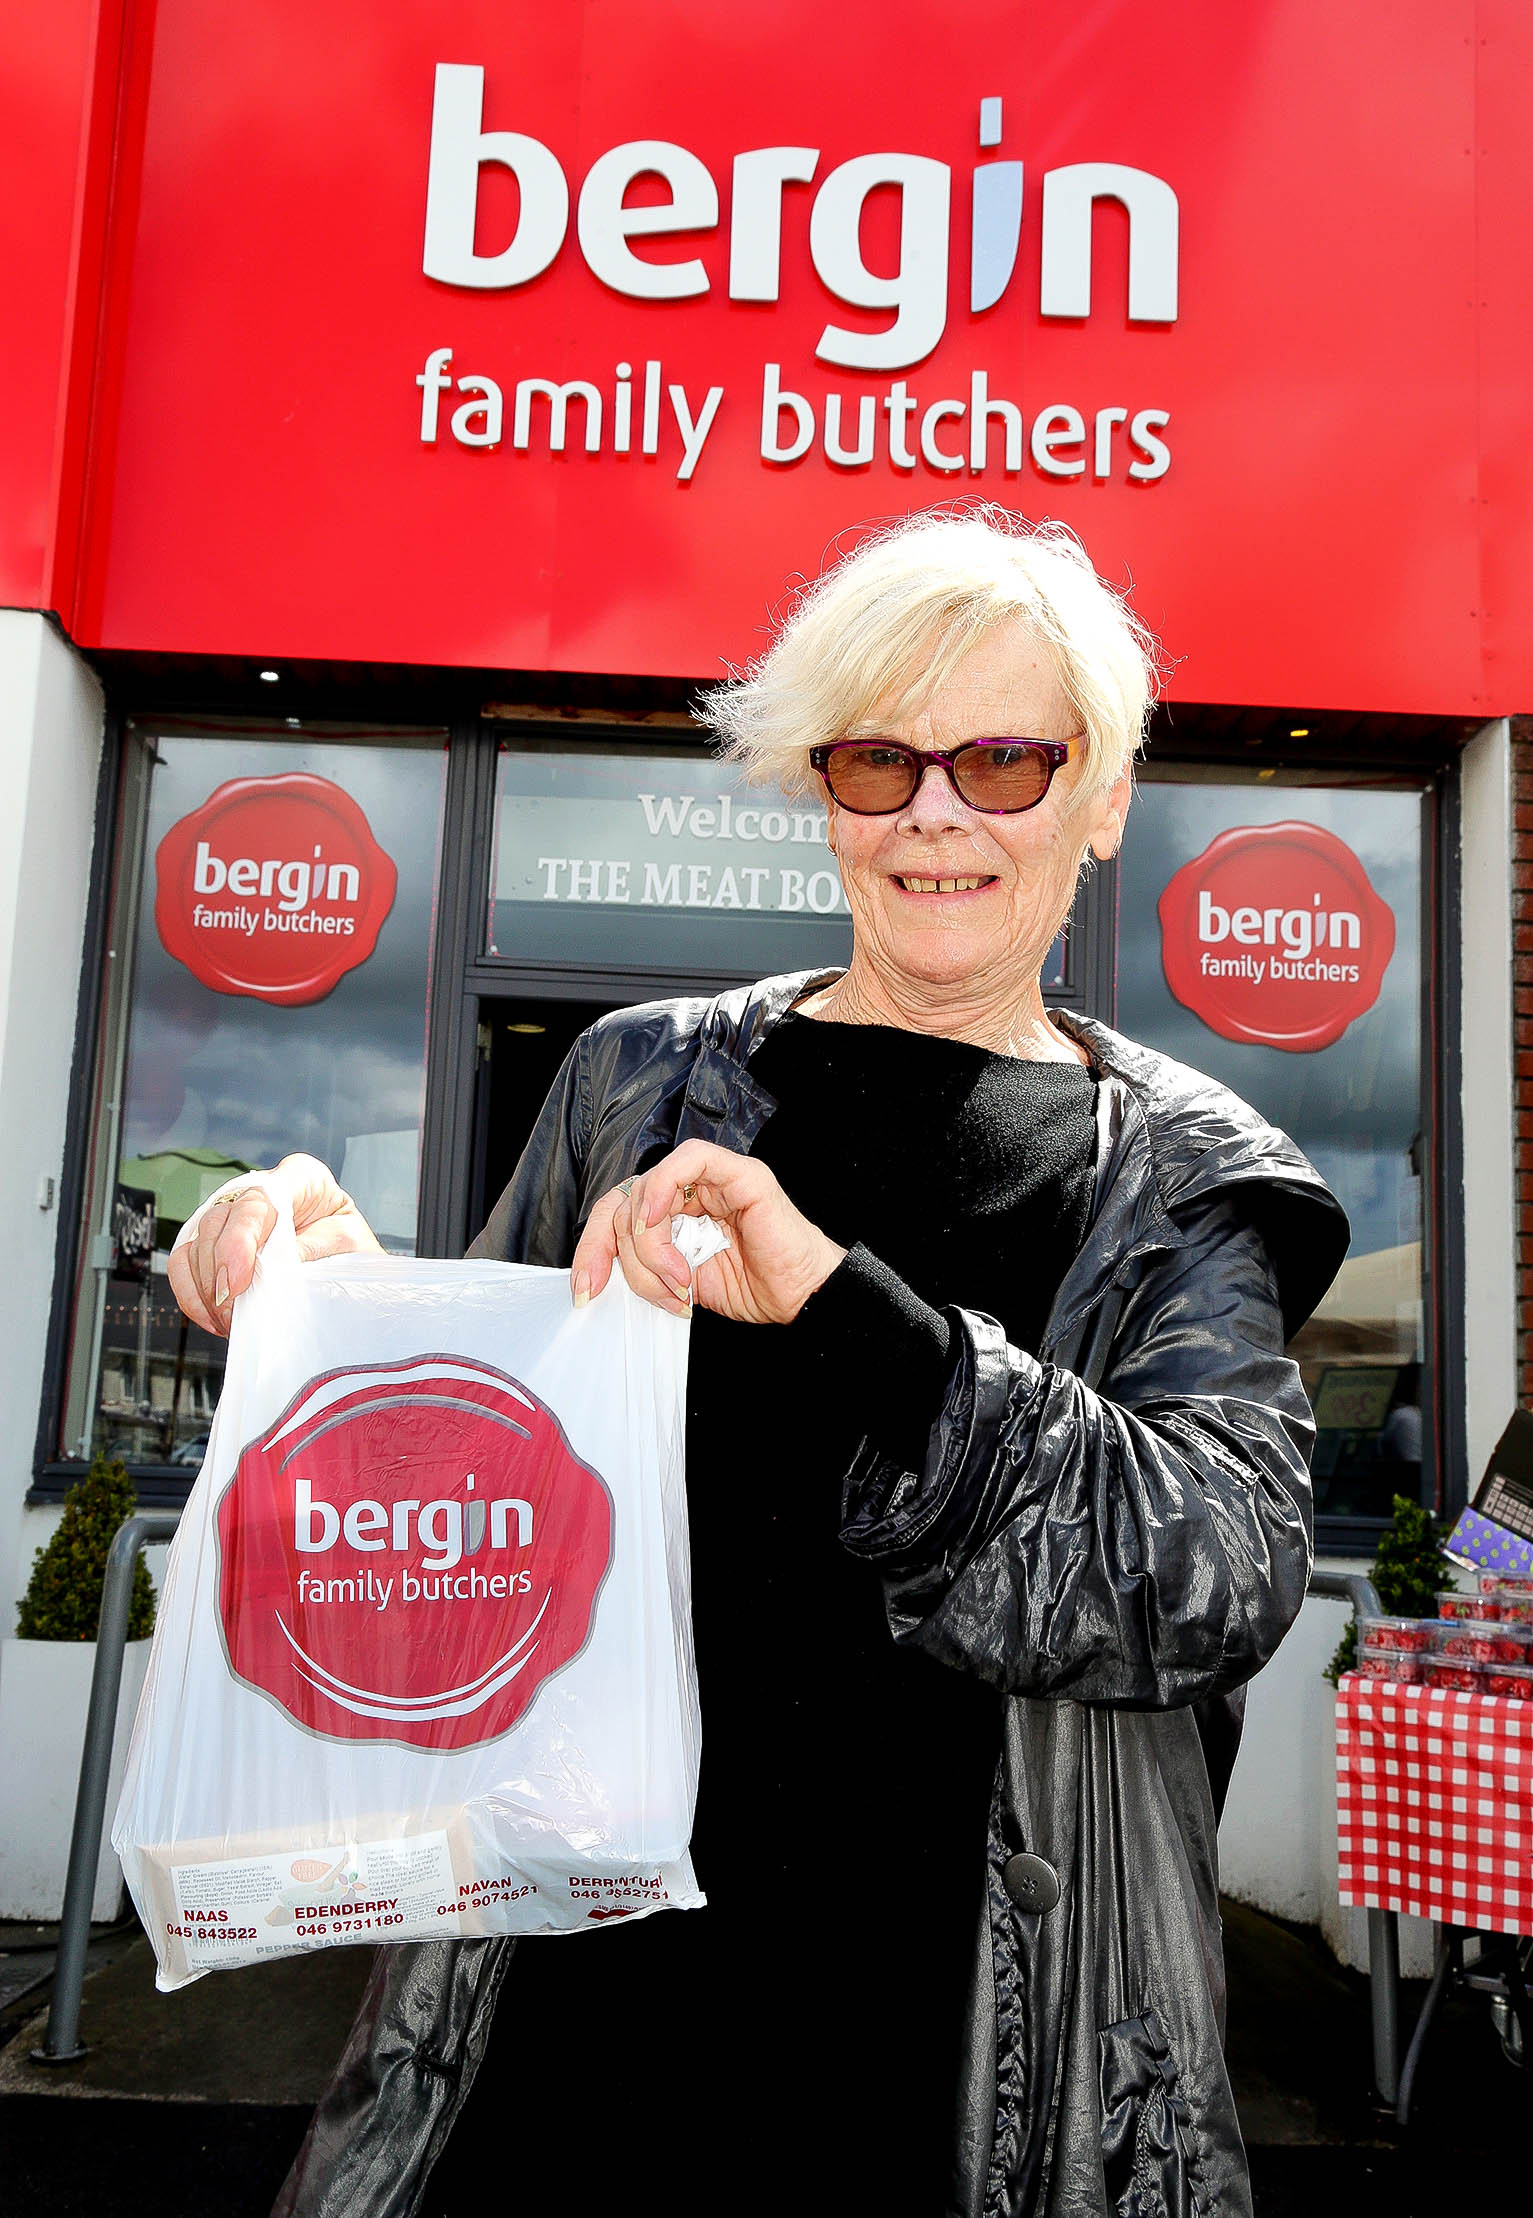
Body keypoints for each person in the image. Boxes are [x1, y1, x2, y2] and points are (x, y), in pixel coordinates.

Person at [170, 510, 1348, 2218]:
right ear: (821, 790)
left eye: (1001, 760)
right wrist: (325, 1316)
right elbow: (449, 1527)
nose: (934, 813)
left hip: (959, 2079)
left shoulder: (1179, 1178)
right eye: (879, 761)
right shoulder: (635, 1082)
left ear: (1100, 800)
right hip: (572, 2036)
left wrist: (847, 1307)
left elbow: (1211, 1575)